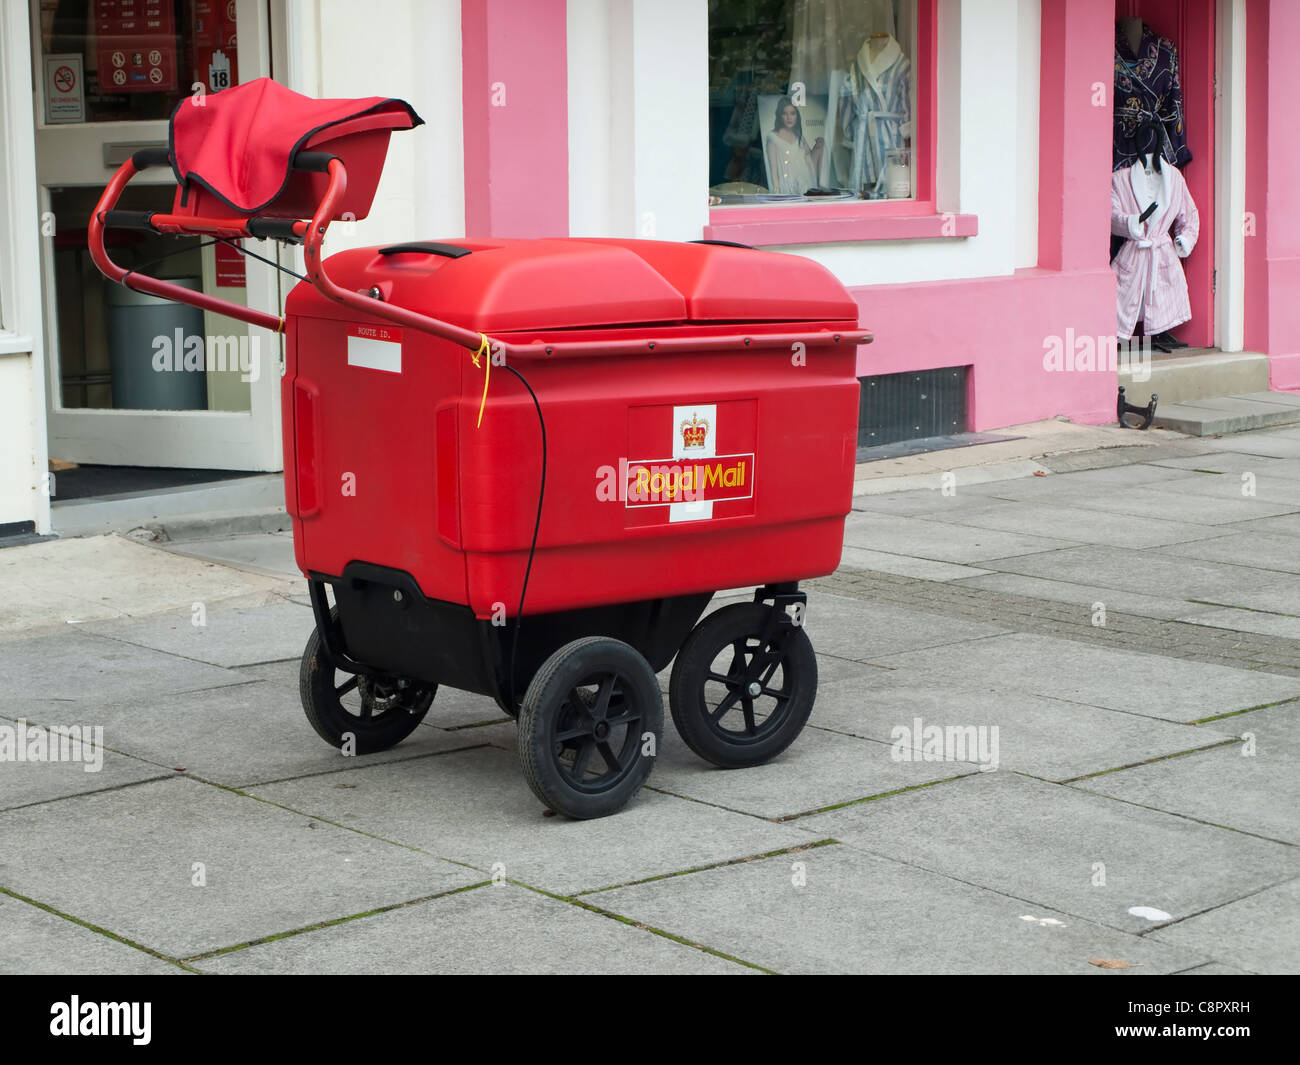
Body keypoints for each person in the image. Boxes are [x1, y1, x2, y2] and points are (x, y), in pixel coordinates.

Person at [765, 97, 823, 195]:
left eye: (792, 113)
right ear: (780, 116)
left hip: (806, 180)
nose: (789, 118)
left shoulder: (798, 135)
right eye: (785, 114)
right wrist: (777, 194)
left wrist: (818, 146)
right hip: (789, 186)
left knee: (822, 146)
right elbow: (773, 170)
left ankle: (823, 186)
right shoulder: (773, 138)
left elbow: (809, 157)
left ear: (797, 116)